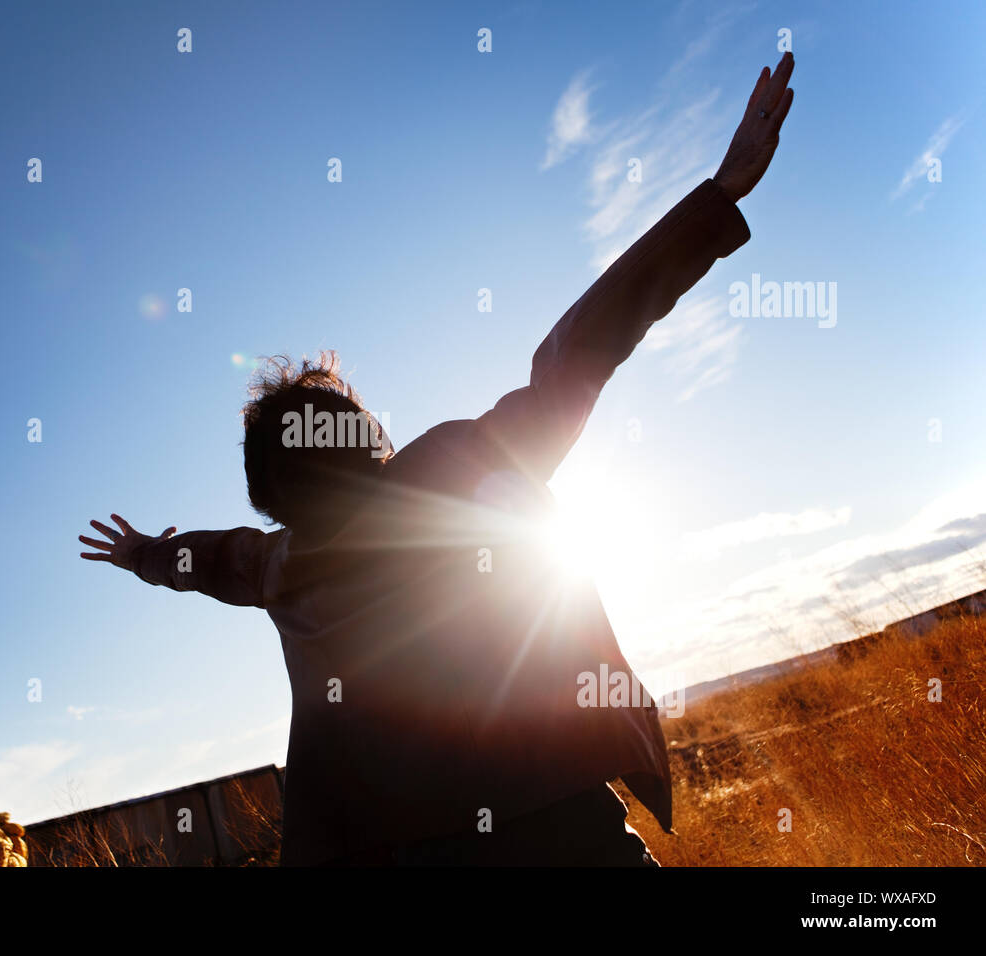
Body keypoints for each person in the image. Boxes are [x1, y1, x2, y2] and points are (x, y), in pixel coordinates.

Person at [80, 53, 795, 866]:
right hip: (556, 820)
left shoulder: (278, 565)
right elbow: (579, 351)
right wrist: (716, 198)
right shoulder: (451, 469)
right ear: (367, 445)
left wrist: (141, 553)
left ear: (272, 494)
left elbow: (206, 559)